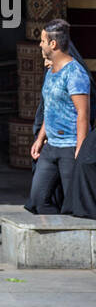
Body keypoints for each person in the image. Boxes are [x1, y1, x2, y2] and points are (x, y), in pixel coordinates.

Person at [26, 19, 91, 214]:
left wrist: (80, 149)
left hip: (70, 148)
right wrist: (40, 138)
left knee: (72, 205)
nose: (40, 44)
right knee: (38, 200)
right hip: (51, 146)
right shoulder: (52, 71)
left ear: (53, 44)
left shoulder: (75, 74)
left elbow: (83, 113)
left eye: (43, 40)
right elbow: (50, 108)